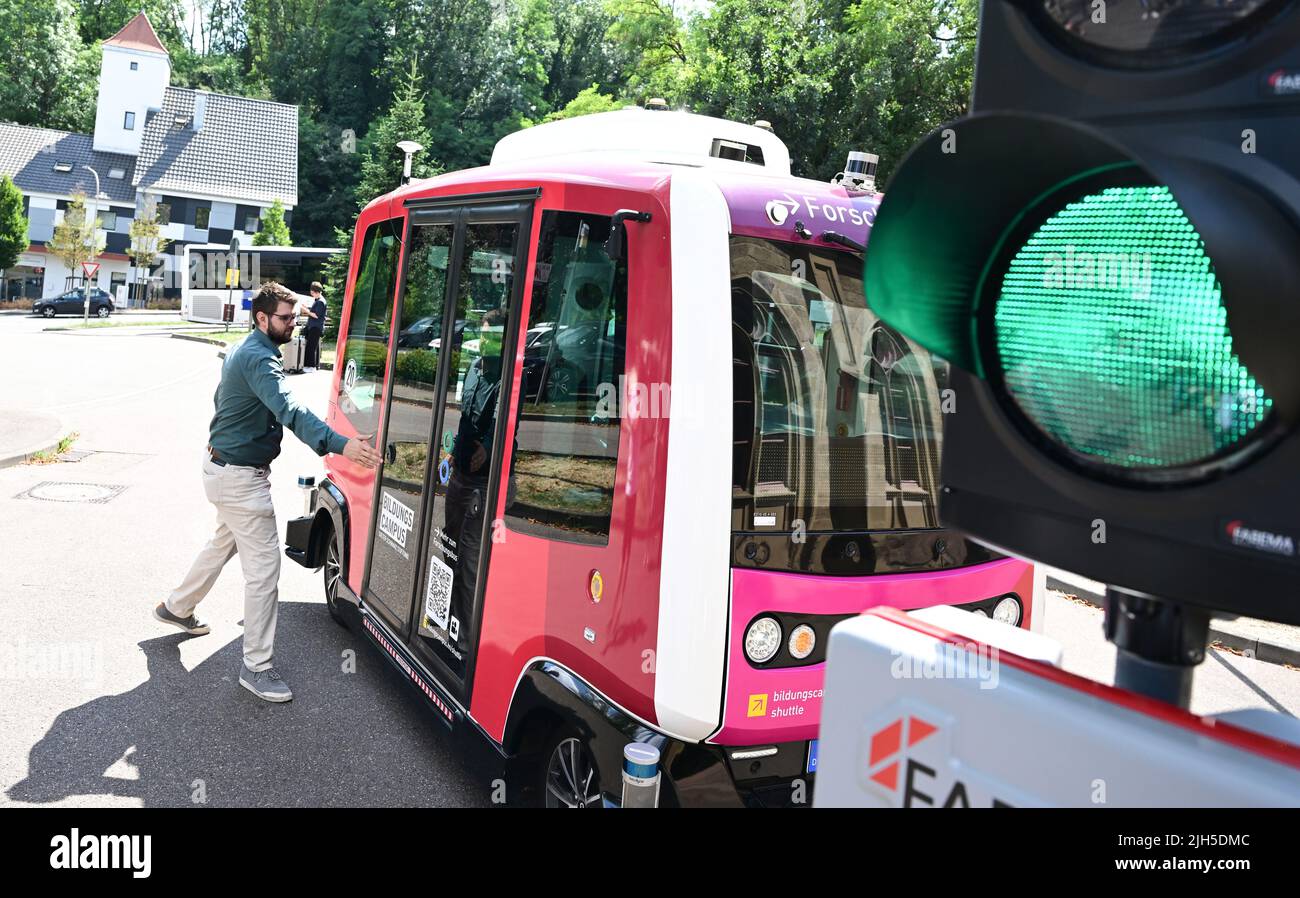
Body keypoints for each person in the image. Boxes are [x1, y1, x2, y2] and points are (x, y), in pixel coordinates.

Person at [153, 282, 381, 702]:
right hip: (239, 478)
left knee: (222, 543)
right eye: (285, 317)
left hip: (222, 467)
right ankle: (256, 667)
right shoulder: (259, 358)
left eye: (296, 317)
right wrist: (341, 444)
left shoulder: (247, 349)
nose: (293, 323)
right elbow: (289, 410)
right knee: (264, 572)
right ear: (262, 318)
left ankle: (176, 607)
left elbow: (225, 399)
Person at [299, 281, 327, 372]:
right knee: (312, 346)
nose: (311, 294)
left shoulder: (320, 302)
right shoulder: (319, 301)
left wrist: (305, 310)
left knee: (311, 347)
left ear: (315, 292)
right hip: (315, 327)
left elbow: (316, 315)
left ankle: (311, 367)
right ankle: (311, 366)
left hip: (315, 327)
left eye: (312, 293)